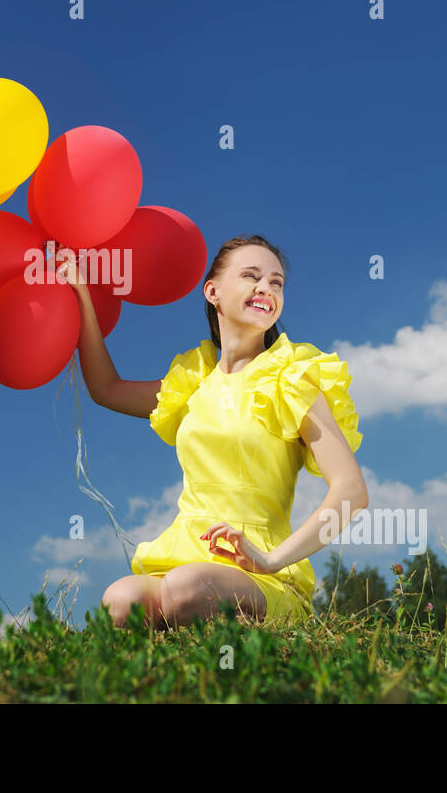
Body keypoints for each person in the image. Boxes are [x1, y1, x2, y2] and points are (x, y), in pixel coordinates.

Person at [55, 234, 369, 629]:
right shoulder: (193, 381)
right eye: (252, 276)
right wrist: (81, 294)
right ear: (213, 291)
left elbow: (352, 492)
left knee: (186, 588)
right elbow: (106, 390)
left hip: (260, 572)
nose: (266, 288)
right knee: (121, 601)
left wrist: (271, 560)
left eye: (276, 282)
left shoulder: (292, 378)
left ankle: (255, 645)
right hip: (185, 556)